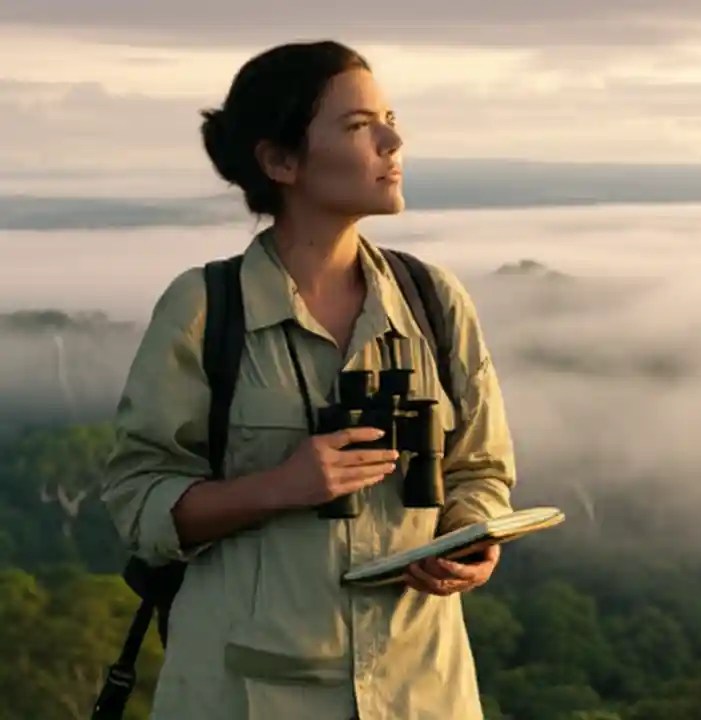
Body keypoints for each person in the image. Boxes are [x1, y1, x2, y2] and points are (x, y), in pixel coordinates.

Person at [99, 40, 517, 720]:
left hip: (422, 692)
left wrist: (474, 535)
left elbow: (481, 471)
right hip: (246, 695)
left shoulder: (432, 302)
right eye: (358, 126)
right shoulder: (207, 309)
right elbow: (137, 499)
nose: (392, 139)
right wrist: (279, 488)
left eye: (388, 117)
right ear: (280, 161)